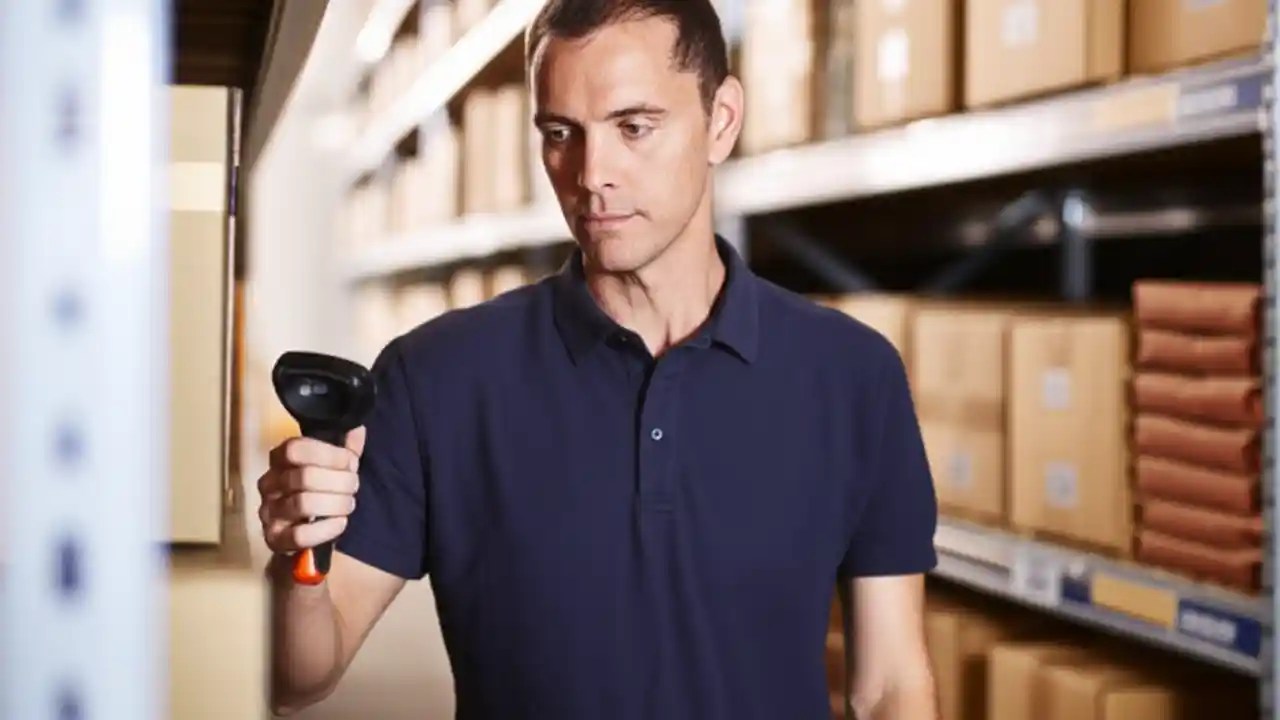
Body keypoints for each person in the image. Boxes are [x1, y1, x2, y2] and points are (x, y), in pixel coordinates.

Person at [257, 0, 940, 717]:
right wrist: (300, 555)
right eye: (561, 133)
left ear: (722, 121)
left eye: (634, 127)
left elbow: (892, 687)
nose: (591, 174)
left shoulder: (853, 377)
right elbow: (298, 678)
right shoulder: (438, 377)